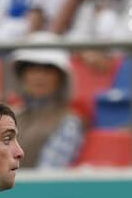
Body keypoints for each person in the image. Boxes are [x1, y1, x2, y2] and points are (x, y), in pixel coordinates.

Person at [9, 41, 86, 169]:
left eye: (47, 69)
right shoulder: (11, 115)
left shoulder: (69, 121)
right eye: (31, 68)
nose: (39, 76)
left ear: (60, 78)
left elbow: (47, 174)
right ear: (21, 76)